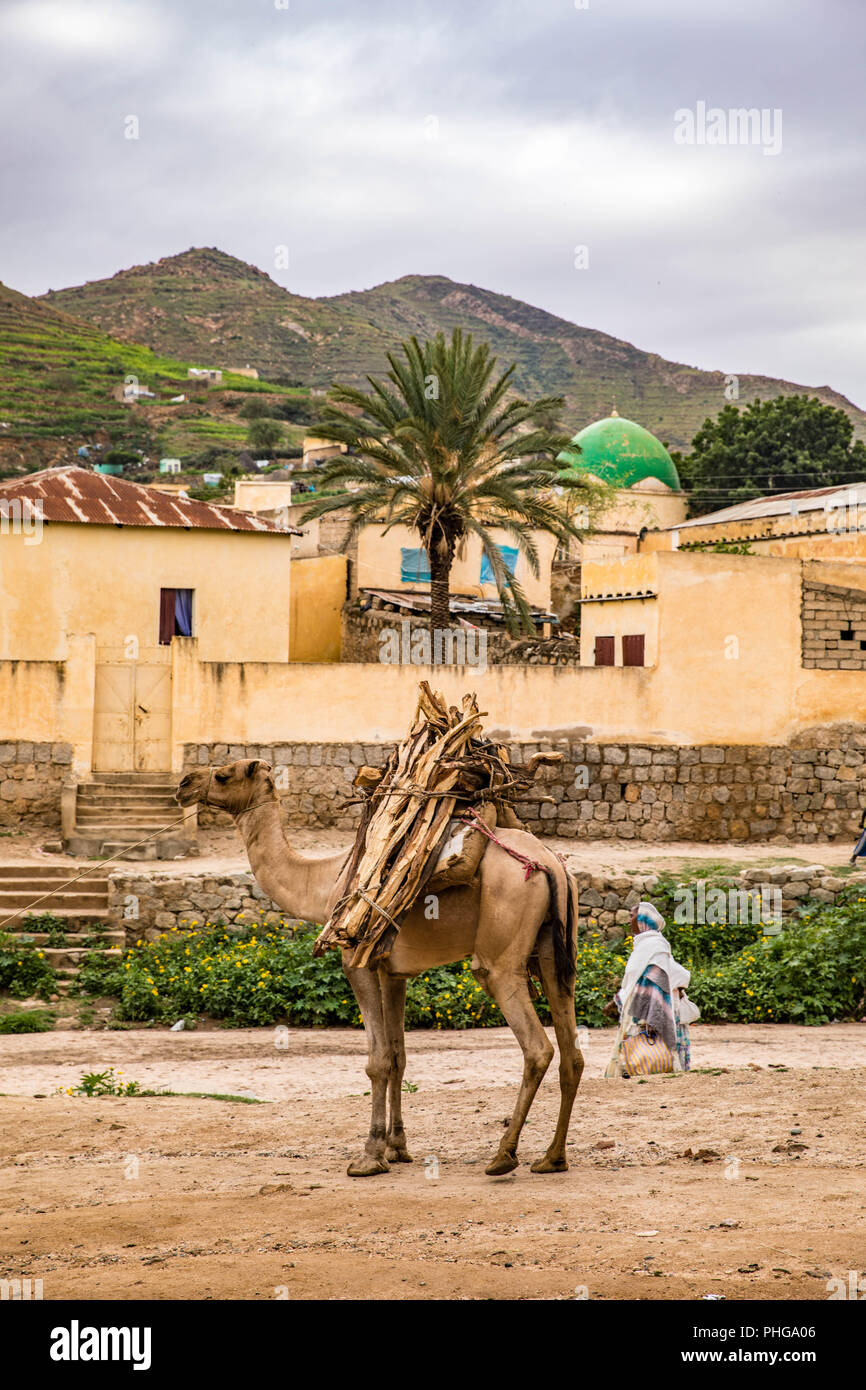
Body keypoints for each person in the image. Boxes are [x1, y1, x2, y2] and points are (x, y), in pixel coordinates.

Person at [604, 900, 698, 1077]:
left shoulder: (655, 945)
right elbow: (636, 980)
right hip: (639, 1008)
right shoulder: (642, 945)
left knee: (655, 1055)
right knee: (638, 1052)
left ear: (642, 920)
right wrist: (616, 1001)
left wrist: (653, 1017)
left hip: (653, 1010)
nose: (628, 921)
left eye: (632, 916)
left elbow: (657, 980)